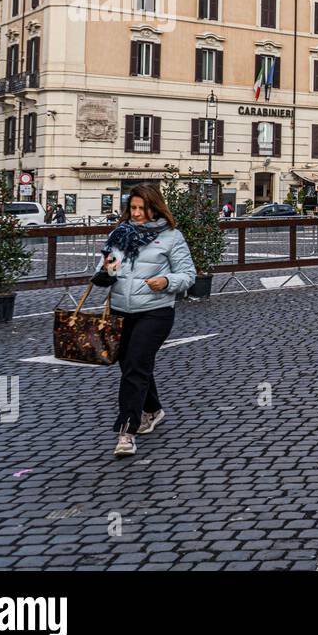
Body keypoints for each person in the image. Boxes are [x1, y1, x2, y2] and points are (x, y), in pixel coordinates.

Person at [91, 183, 196, 458]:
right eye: (133, 208)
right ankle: (153, 410)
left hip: (155, 311)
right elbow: (103, 267)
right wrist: (105, 270)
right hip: (120, 310)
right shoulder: (119, 233)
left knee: (136, 365)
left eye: (142, 208)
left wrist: (167, 281)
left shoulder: (171, 237)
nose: (136, 214)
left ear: (154, 207)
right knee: (131, 366)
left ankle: (126, 431)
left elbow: (188, 275)